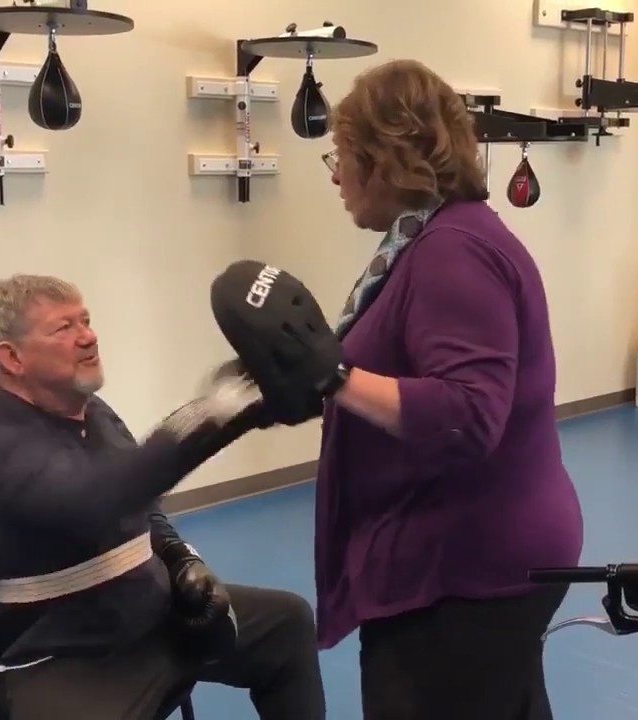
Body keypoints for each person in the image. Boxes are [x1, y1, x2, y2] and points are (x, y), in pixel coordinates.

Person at [214, 59, 586, 718]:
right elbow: (392, 377)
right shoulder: (428, 239)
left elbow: (470, 414)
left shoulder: (453, 253)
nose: (336, 175)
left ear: (382, 159)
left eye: (341, 155)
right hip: (474, 555)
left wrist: (334, 376)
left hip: (466, 571)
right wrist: (305, 388)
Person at [0, 274, 326, 720]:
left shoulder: (92, 412)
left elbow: (141, 501)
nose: (88, 336)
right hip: (49, 655)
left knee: (286, 624)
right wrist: (224, 408)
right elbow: (103, 497)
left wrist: (180, 558)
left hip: (140, 616)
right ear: (12, 357)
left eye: (85, 320)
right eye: (63, 328)